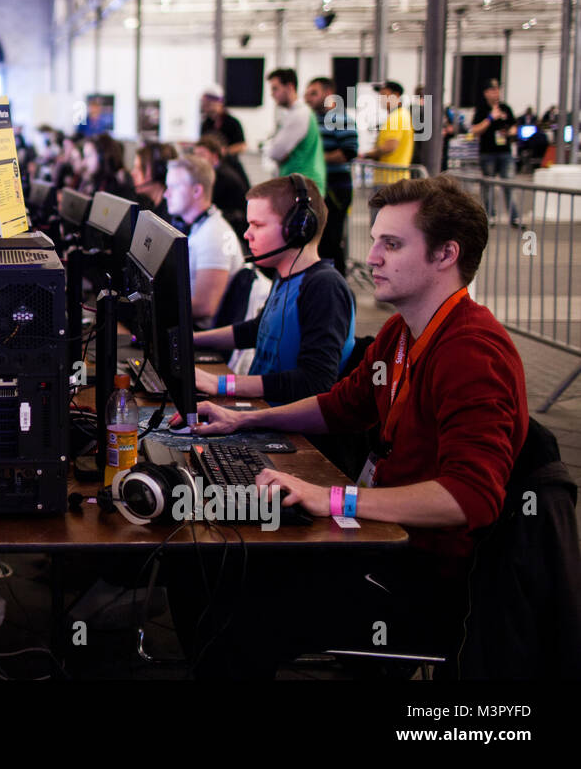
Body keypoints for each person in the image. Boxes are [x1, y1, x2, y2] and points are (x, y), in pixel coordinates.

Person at [175, 175, 526, 677]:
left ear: (446, 254)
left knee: (233, 602)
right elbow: (340, 406)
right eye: (375, 240)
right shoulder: (402, 332)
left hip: (416, 579)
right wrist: (243, 419)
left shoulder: (471, 352)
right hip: (375, 540)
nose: (372, 258)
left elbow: (470, 497)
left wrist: (333, 499)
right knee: (204, 562)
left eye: (392, 244)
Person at [192, 174, 355, 402]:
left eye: (257, 225)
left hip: (285, 422)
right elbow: (258, 330)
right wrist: (190, 339)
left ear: (298, 229)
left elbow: (315, 381)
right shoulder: (285, 276)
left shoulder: (325, 287)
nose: (247, 234)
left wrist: (220, 384)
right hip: (259, 411)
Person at [162, 155, 245, 329]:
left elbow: (205, 307)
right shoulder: (198, 226)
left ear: (196, 191)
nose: (166, 194)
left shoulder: (214, 234)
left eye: (173, 187)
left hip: (200, 334)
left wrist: (154, 305)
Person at [304, 77, 358, 275]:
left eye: (314, 93)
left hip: (336, 187)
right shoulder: (312, 120)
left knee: (331, 239)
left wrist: (315, 158)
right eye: (307, 93)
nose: (308, 98)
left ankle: (337, 281)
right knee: (316, 238)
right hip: (317, 186)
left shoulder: (341, 119)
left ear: (328, 94)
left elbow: (348, 152)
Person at [265, 68, 325, 193]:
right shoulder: (295, 113)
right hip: (301, 185)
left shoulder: (299, 115)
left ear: (289, 87)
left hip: (304, 187)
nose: (272, 94)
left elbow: (276, 152)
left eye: (275, 89)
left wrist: (272, 148)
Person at [471, 78, 519, 226]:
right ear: (486, 93)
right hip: (487, 152)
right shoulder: (481, 109)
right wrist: (490, 118)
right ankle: (490, 215)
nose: (496, 93)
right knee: (488, 185)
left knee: (509, 184)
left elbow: (514, 126)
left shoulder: (506, 108)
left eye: (497, 89)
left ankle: (514, 216)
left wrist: (510, 132)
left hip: (505, 151)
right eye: (492, 90)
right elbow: (475, 130)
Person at [192, 134, 248, 238]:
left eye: (201, 155)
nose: (197, 159)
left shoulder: (223, 177)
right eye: (195, 155)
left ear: (215, 156)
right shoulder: (216, 172)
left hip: (235, 229)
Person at [363, 80, 415, 183]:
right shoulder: (399, 115)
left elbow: (390, 146)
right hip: (392, 178)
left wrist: (366, 155)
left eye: (384, 94)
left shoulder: (397, 117)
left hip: (391, 180)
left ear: (396, 95)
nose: (381, 98)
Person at [132, 142, 176, 220]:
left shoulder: (170, 214)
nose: (133, 173)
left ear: (158, 172)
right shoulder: (147, 205)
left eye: (139, 168)